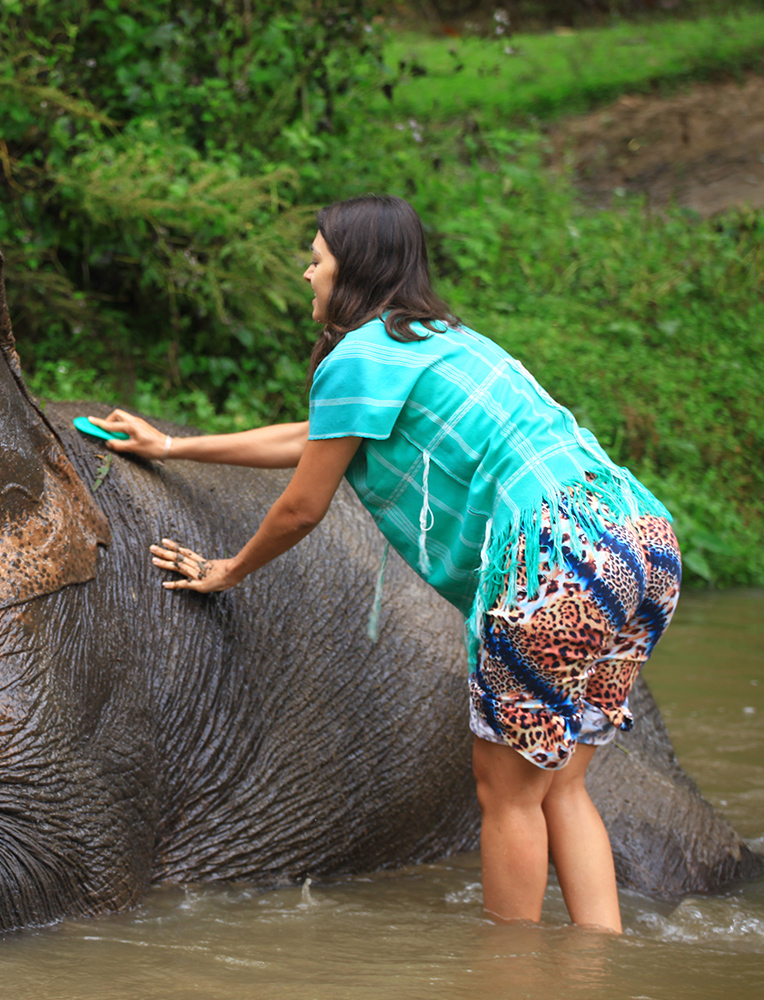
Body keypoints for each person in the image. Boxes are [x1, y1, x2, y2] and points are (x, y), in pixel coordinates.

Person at [89, 194, 680, 935]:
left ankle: (510, 982)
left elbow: (303, 506)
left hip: (555, 552)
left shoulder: (358, 355)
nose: (307, 274)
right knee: (560, 790)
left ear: (355, 270)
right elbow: (320, 437)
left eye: (317, 260)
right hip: (641, 540)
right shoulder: (445, 340)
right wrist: (172, 447)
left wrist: (228, 569)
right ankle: (599, 965)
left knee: (508, 799)